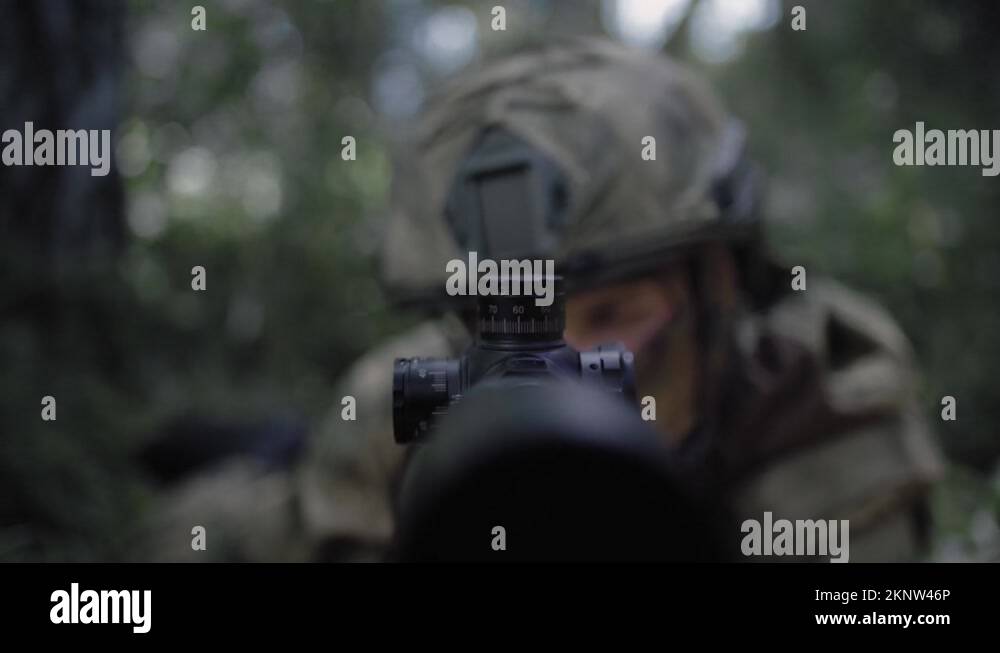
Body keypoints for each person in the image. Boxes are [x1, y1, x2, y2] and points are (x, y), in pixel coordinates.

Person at [146, 38, 943, 562]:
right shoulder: (403, 403)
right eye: (505, 318)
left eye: (610, 315)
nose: (548, 366)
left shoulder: (821, 403)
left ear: (720, 281)